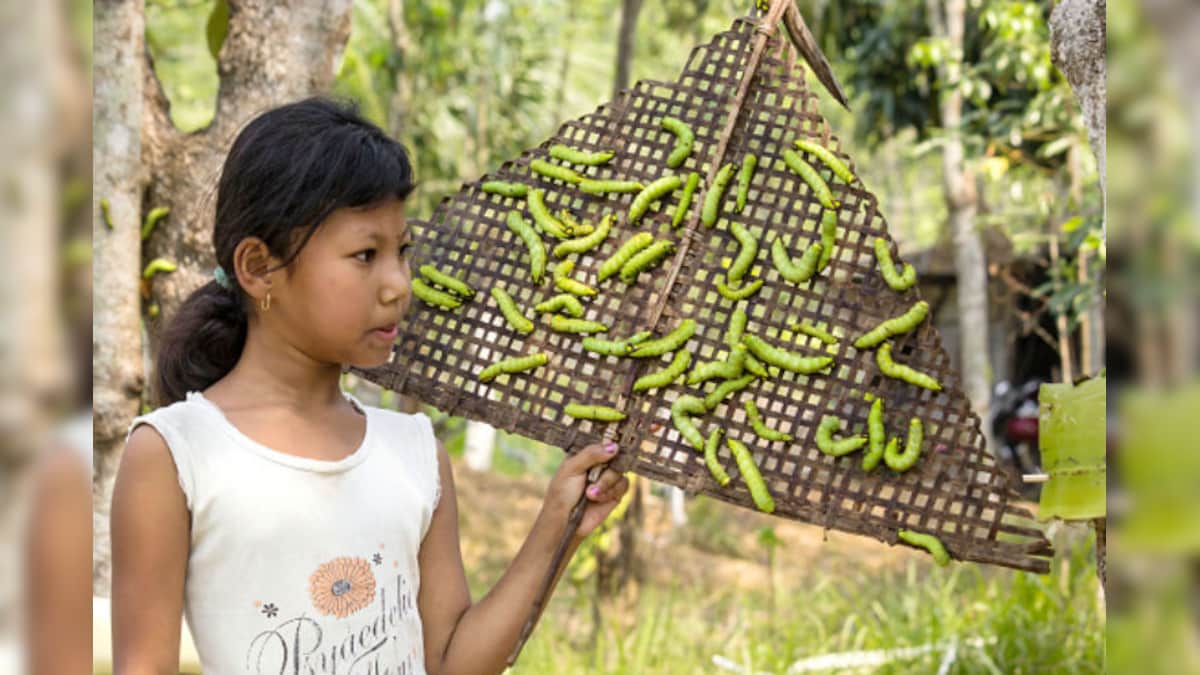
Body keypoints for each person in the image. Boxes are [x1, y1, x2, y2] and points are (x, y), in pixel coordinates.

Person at [110, 97, 630, 674]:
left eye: (401, 252)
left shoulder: (413, 452)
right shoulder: (176, 453)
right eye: (365, 255)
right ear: (259, 268)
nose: (399, 285)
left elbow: (452, 663)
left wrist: (560, 524)